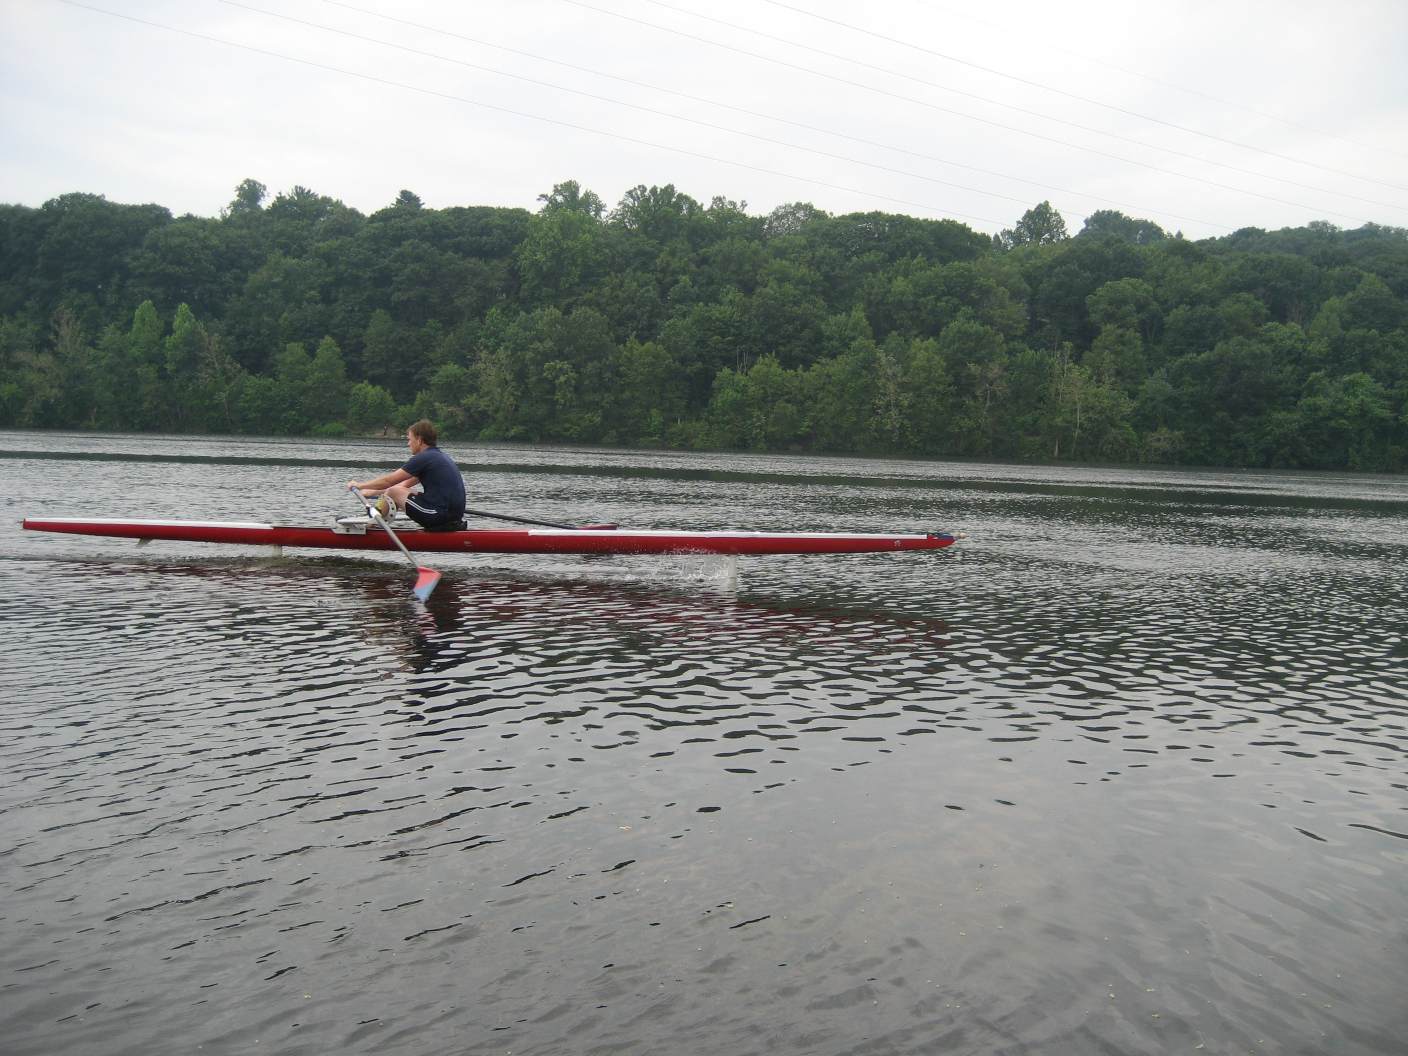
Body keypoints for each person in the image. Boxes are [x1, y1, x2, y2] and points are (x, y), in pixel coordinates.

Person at [348, 419, 466, 530]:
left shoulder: (423, 458)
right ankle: (375, 519)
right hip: (452, 517)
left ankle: (370, 523)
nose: (408, 443)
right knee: (400, 490)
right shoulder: (438, 457)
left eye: (410, 439)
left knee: (394, 491)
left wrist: (360, 485)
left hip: (438, 517)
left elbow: (389, 481)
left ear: (419, 440)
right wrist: (371, 492)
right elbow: (402, 486)